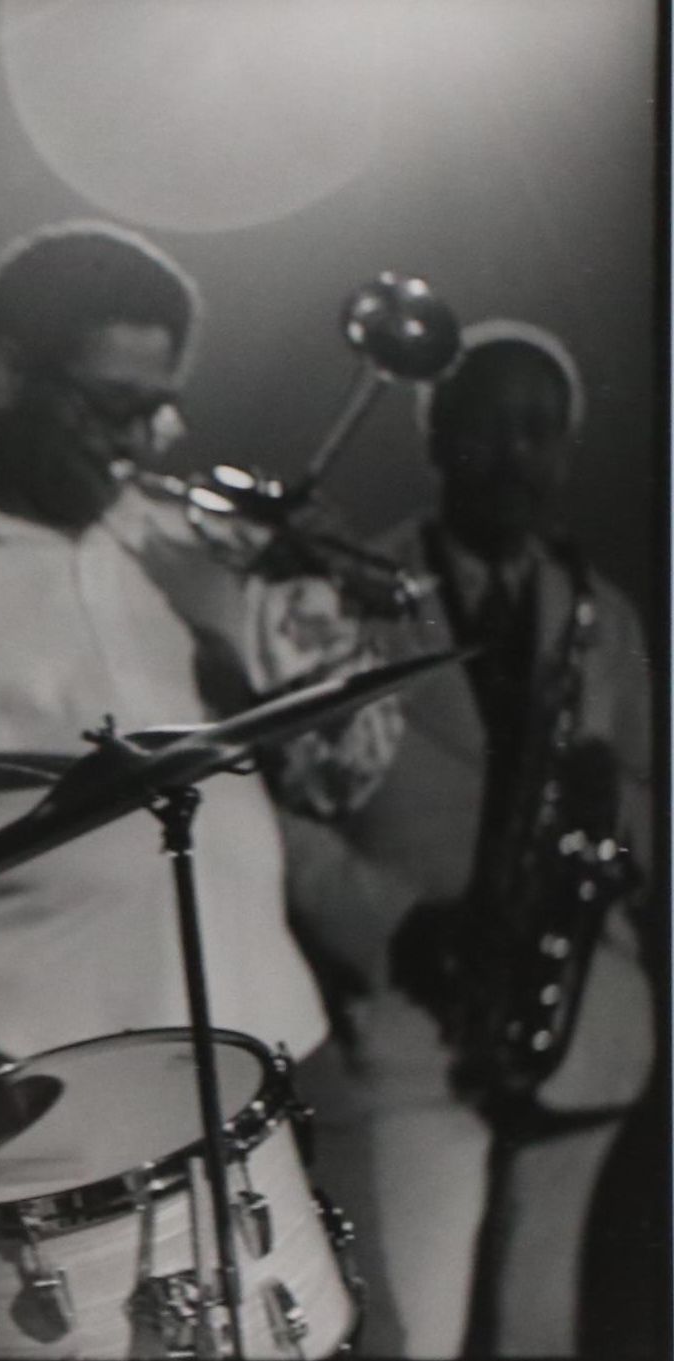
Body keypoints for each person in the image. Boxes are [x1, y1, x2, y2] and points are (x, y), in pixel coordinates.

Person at [0, 220, 391, 1105]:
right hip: (38, 1067)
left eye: (157, 409)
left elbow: (346, 779)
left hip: (271, 1041)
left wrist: (295, 622)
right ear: (6, 373)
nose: (142, 441)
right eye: (109, 405)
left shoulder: (207, 546)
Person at [280, 320, 657, 1357]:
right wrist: (399, 926)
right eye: (485, 428)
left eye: (539, 431)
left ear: (565, 450)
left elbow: (643, 803)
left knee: (543, 1326)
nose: (514, 455)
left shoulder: (602, 614)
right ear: (435, 437)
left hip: (580, 1022)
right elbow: (284, 819)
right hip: (412, 1021)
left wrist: (612, 820)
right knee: (416, 1327)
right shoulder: (352, 595)